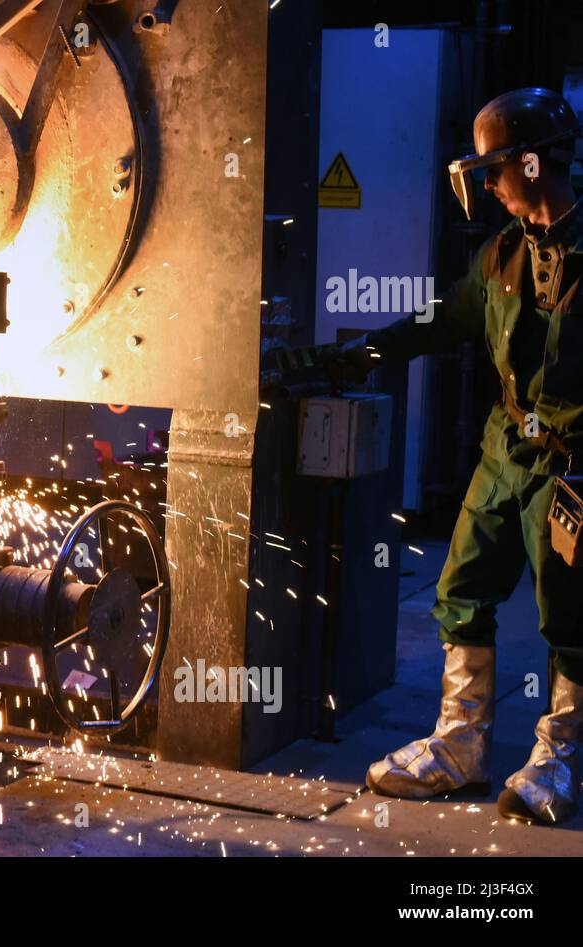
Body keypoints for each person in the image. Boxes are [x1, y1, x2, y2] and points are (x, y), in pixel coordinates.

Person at [326, 87, 583, 826]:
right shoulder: (500, 254)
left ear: (532, 164)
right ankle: (461, 744)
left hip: (573, 465)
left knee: (570, 615)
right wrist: (349, 357)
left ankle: (560, 755)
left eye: (494, 168)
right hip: (507, 449)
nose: (488, 185)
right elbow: (438, 323)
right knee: (462, 585)